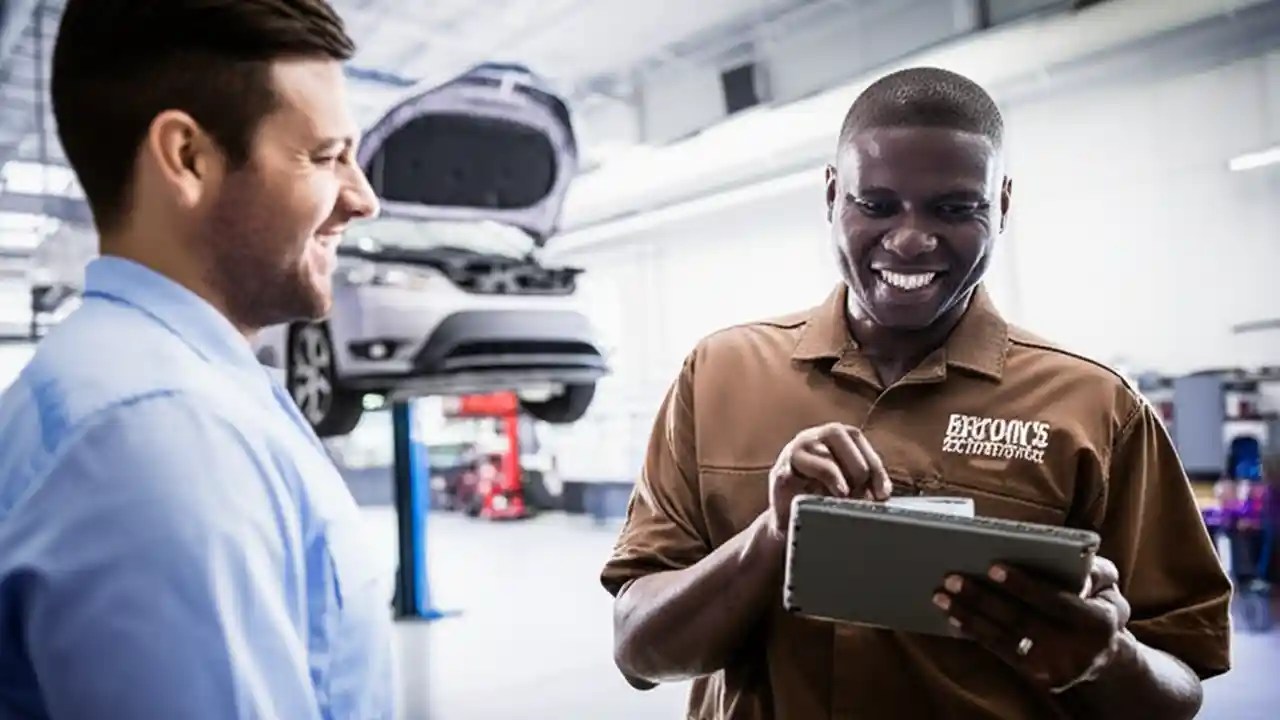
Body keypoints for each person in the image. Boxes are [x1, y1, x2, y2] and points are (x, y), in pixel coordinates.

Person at [601, 67, 1231, 719]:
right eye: (875, 205)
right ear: (830, 196)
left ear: (1003, 206)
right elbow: (640, 650)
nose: (909, 239)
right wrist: (774, 536)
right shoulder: (718, 376)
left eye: (954, 209)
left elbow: (1180, 686)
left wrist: (1106, 660)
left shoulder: (1098, 409)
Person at [0, 1, 387, 718]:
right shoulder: (158, 437)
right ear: (187, 159)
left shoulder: (129, 390)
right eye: (327, 155)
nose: (362, 199)